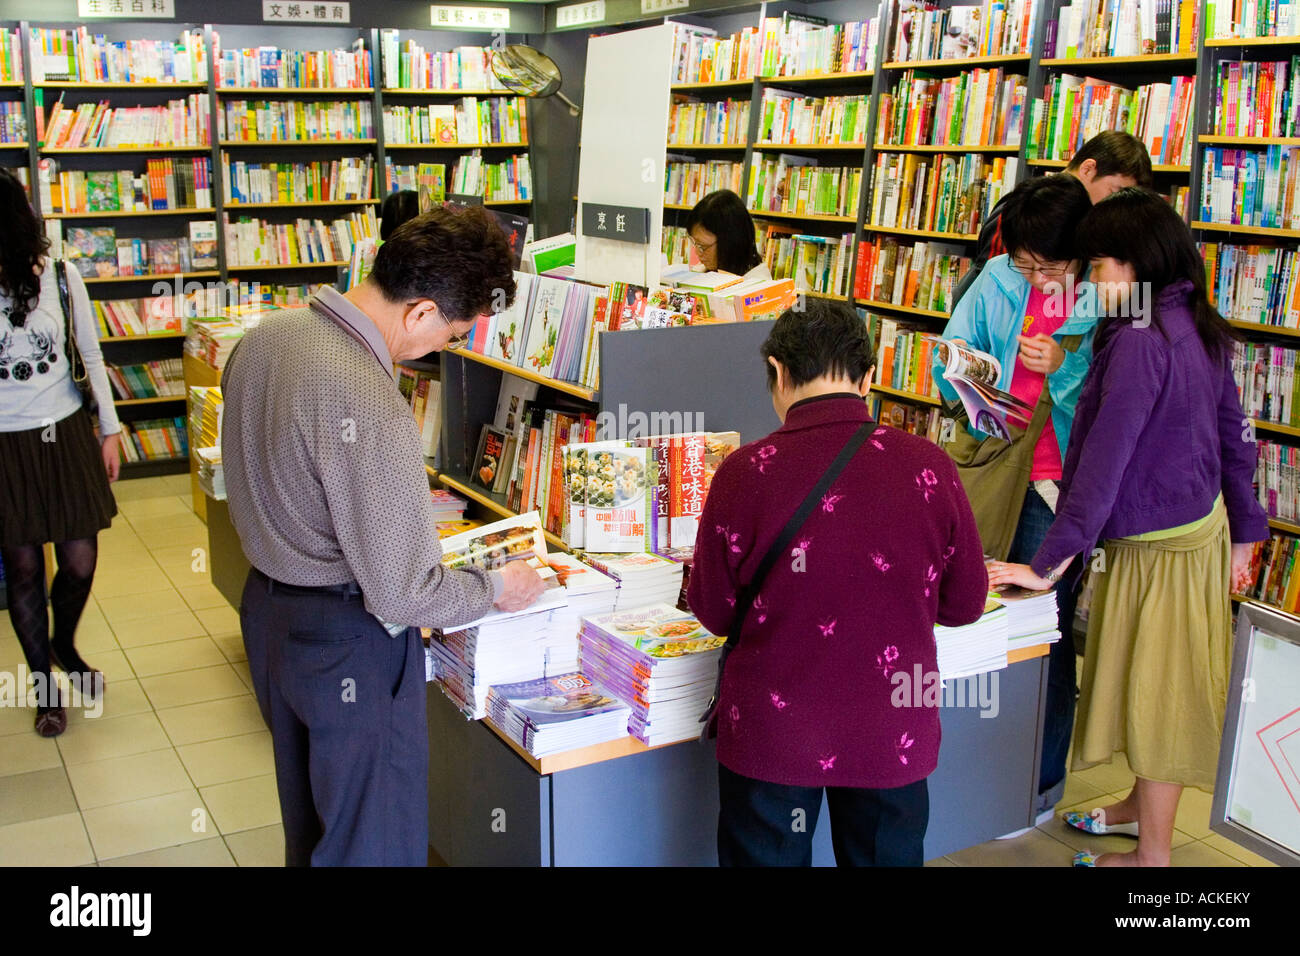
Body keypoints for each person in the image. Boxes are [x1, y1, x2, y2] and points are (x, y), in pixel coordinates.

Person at [222, 206, 547, 866]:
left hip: (269, 616)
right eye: (452, 334)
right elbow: (403, 595)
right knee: (372, 841)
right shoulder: (366, 395)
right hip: (345, 643)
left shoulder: (268, 336)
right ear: (422, 312)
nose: (442, 348)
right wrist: (498, 586)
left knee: (313, 825)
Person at [987, 189, 1270, 867]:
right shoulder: (1184, 315)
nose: (1088, 281)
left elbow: (1104, 463)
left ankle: (1154, 859)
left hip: (1159, 548)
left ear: (1134, 263)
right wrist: (1246, 527)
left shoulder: (1142, 341)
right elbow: (1235, 434)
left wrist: (1045, 563)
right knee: (1152, 680)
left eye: (1098, 266)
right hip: (1190, 532)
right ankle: (1140, 809)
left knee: (1158, 695)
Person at [688, 299, 989, 867]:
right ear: (869, 379)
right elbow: (965, 603)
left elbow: (714, 611)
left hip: (774, 731)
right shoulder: (930, 466)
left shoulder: (745, 471)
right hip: (892, 726)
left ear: (776, 371)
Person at [934, 173, 1097, 833]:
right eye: (1025, 263)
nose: (1037, 279)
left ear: (1082, 254)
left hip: (1059, 484)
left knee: (1043, 637)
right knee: (973, 610)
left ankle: (1037, 781)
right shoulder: (998, 277)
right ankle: (972, 760)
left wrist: (1063, 361)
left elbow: (1114, 395)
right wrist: (981, 378)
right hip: (995, 461)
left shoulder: (1108, 293)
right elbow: (950, 351)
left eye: (1049, 267)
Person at [0, 167, 118, 738]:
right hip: (3, 440)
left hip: (63, 430)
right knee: (21, 568)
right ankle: (44, 686)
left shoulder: (63, 277)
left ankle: (63, 643)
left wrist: (111, 430)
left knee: (78, 560)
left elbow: (92, 358)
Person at [951, 131, 1154, 308]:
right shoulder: (1027, 209)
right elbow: (991, 285)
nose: (1116, 207)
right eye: (1114, 192)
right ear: (1088, 169)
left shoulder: (1088, 220)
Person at [685, 189, 771, 279]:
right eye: (695, 243)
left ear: (730, 243)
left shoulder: (757, 283)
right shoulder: (704, 270)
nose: (697, 253)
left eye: (703, 247)